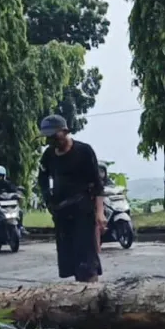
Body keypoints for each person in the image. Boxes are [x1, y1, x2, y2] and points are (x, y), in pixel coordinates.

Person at [37, 114, 105, 283]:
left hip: (83, 210)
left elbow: (97, 184)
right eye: (48, 138)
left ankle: (92, 294)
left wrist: (100, 213)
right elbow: (42, 179)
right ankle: (79, 294)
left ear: (65, 131)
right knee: (70, 260)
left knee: (87, 260)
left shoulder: (84, 151)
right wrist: (49, 202)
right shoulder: (48, 156)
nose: (52, 140)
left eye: (55, 136)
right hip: (61, 212)